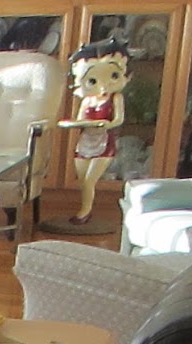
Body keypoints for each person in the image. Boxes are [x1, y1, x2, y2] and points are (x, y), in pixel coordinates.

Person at [59, 36, 131, 224]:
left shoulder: (115, 99)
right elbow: (81, 120)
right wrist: (75, 124)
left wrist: (105, 124)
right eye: (92, 80)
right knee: (83, 180)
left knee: (90, 180)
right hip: (85, 143)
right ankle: (85, 209)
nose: (103, 86)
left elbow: (118, 119)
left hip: (104, 143)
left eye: (113, 76)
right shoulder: (87, 100)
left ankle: (84, 212)